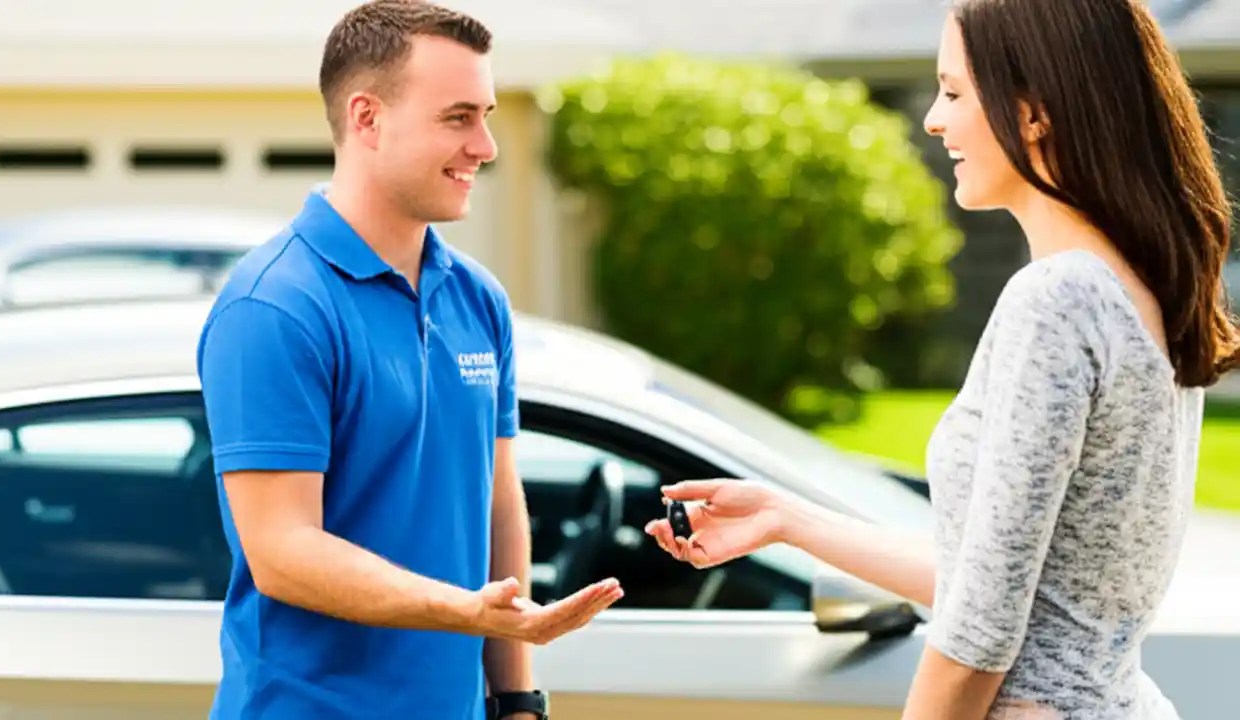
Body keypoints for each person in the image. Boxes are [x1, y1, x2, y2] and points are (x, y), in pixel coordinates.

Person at [646, 1, 1240, 718]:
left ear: (1033, 112)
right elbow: (1002, 583)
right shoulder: (1140, 287)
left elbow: (981, 631)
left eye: (954, 91)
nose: (933, 119)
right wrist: (785, 518)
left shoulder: (1057, 299)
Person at [196, 2, 623, 718]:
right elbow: (282, 550)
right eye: (458, 118)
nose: (485, 146)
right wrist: (465, 610)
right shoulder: (273, 307)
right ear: (367, 118)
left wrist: (517, 697)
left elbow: (496, 503)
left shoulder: (477, 298)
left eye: (486, 115)